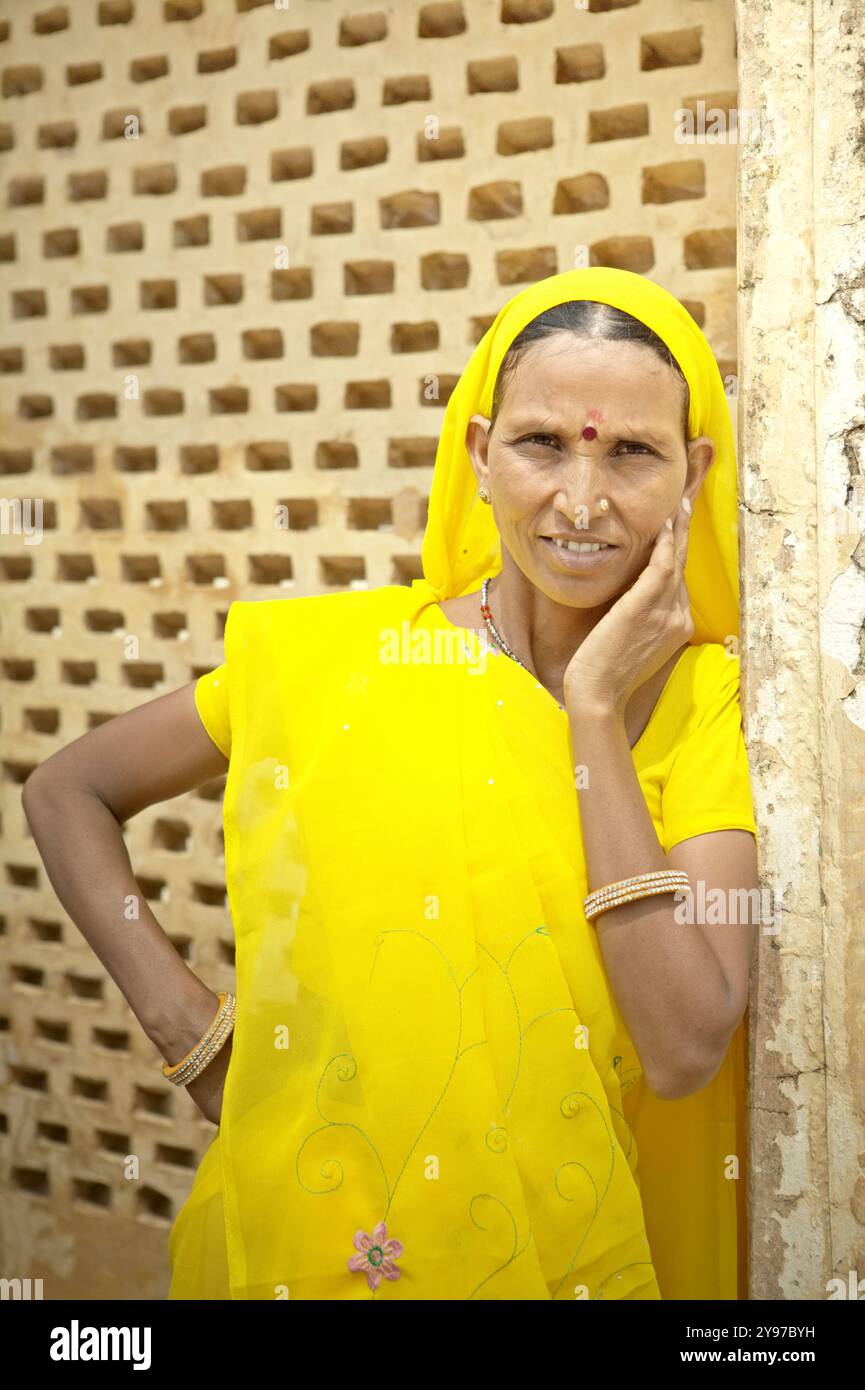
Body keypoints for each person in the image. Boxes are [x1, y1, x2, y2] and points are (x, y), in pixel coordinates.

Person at [22, 267, 759, 1301]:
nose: (580, 500)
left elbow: (683, 1047)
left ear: (692, 471)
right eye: (541, 443)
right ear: (479, 454)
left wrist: (593, 707)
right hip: (327, 1241)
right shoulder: (349, 660)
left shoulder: (705, 698)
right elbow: (68, 792)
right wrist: (189, 1032)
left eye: (630, 452)